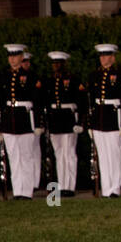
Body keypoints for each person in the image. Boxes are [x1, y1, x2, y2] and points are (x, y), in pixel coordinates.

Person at [0, 43, 43, 200]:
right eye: (10, 56)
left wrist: (38, 123)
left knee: (26, 156)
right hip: (10, 119)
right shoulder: (4, 76)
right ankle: (17, 190)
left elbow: (37, 101)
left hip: (25, 118)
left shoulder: (31, 76)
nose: (12, 59)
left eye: (15, 56)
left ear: (22, 57)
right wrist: (0, 126)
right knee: (13, 157)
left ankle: (27, 191)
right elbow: (1, 103)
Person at [86, 44, 121, 198]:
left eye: (106, 55)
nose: (103, 58)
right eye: (101, 55)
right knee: (103, 155)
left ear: (112, 57)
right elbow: (90, 101)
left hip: (114, 118)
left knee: (114, 154)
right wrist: (89, 124)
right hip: (99, 118)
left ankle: (115, 187)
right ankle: (106, 189)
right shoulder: (94, 75)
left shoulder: (120, 74)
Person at [44, 51, 87, 196]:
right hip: (55, 119)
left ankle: (69, 186)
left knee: (69, 153)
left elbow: (81, 101)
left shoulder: (73, 79)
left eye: (58, 63)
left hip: (69, 118)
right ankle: (61, 185)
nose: (56, 66)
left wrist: (81, 121)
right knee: (58, 153)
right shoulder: (49, 81)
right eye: (54, 63)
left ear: (64, 64)